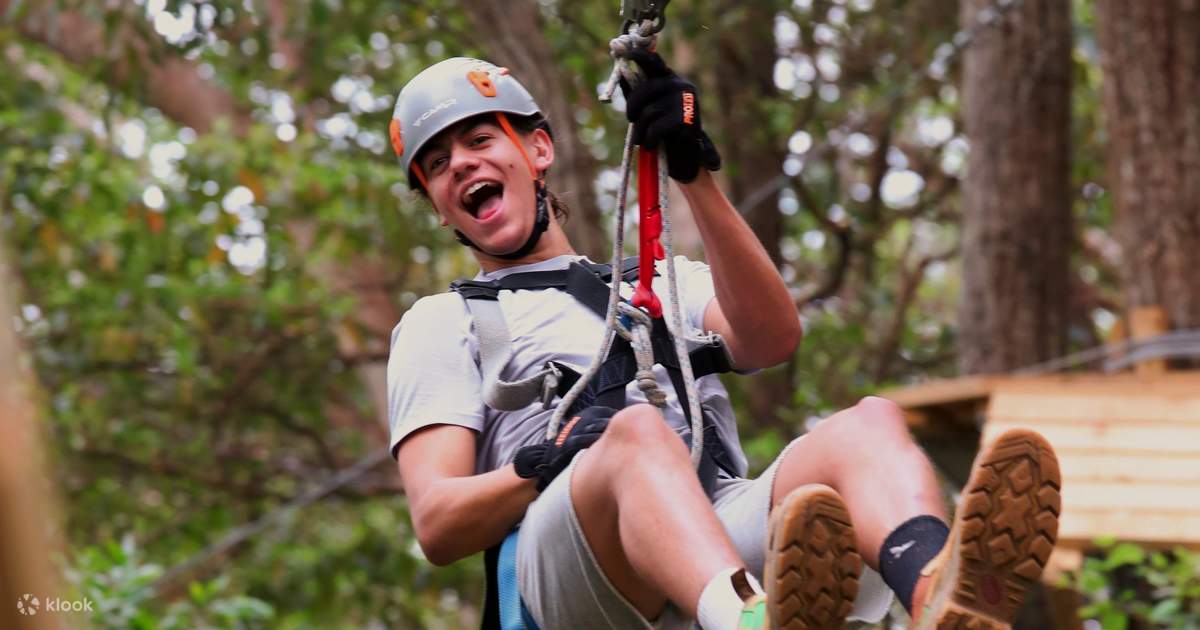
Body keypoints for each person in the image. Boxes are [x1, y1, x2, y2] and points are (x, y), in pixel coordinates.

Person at [386, 53, 1062, 630]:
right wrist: (545, 459)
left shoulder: (654, 279)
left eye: (478, 141)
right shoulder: (446, 321)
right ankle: (747, 619)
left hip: (705, 530)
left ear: (537, 150)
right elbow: (438, 523)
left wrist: (691, 172)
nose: (459, 166)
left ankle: (940, 594)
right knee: (637, 433)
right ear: (438, 203)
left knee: (869, 424)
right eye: (437, 164)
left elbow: (770, 338)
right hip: (567, 571)